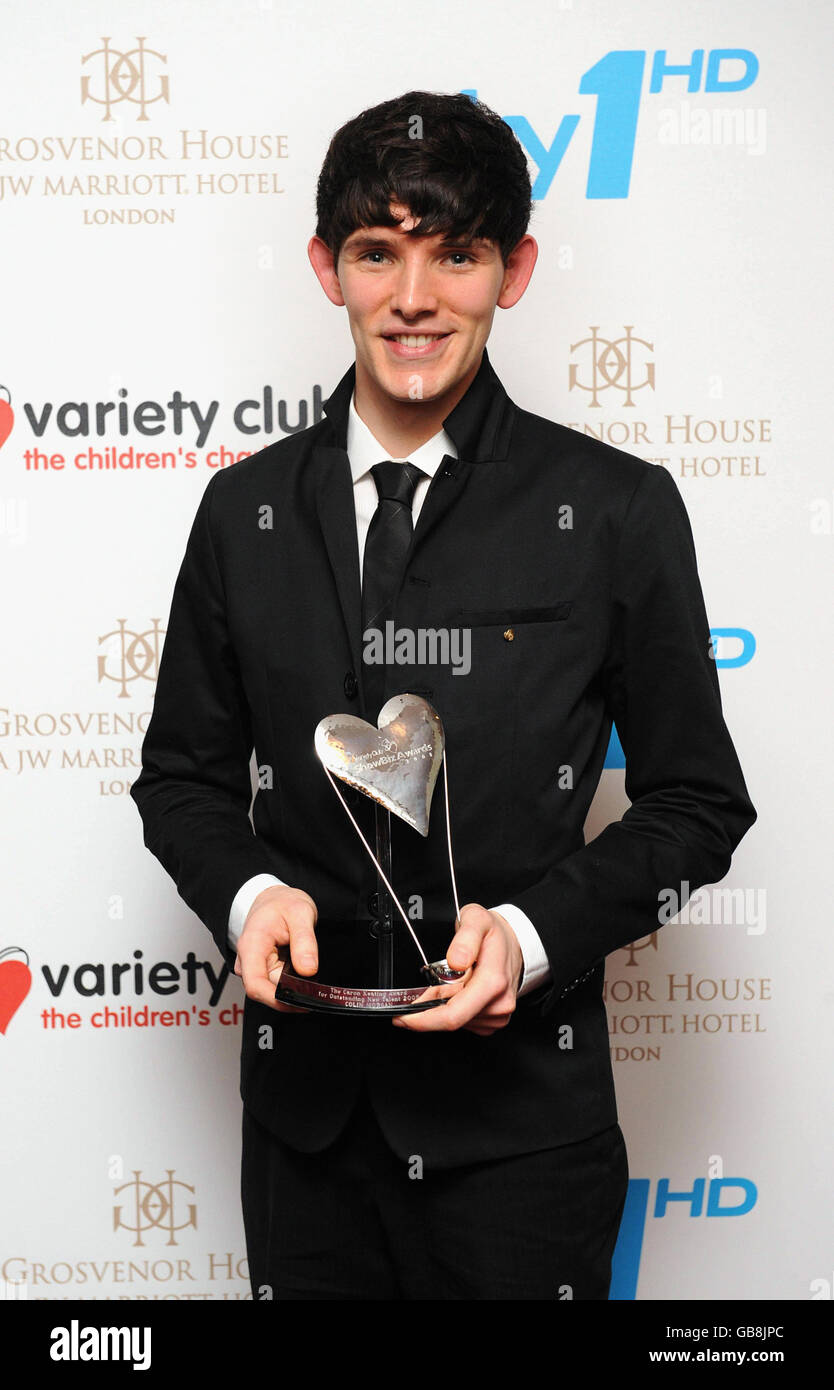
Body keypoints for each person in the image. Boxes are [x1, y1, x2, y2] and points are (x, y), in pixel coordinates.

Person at [130, 89, 756, 1301]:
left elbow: (698, 805)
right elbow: (182, 778)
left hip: (523, 1140)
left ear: (512, 271)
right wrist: (251, 893)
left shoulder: (617, 510)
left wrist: (529, 940)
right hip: (306, 1139)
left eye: (455, 253)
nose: (414, 297)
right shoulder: (242, 512)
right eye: (380, 252)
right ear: (329, 268)